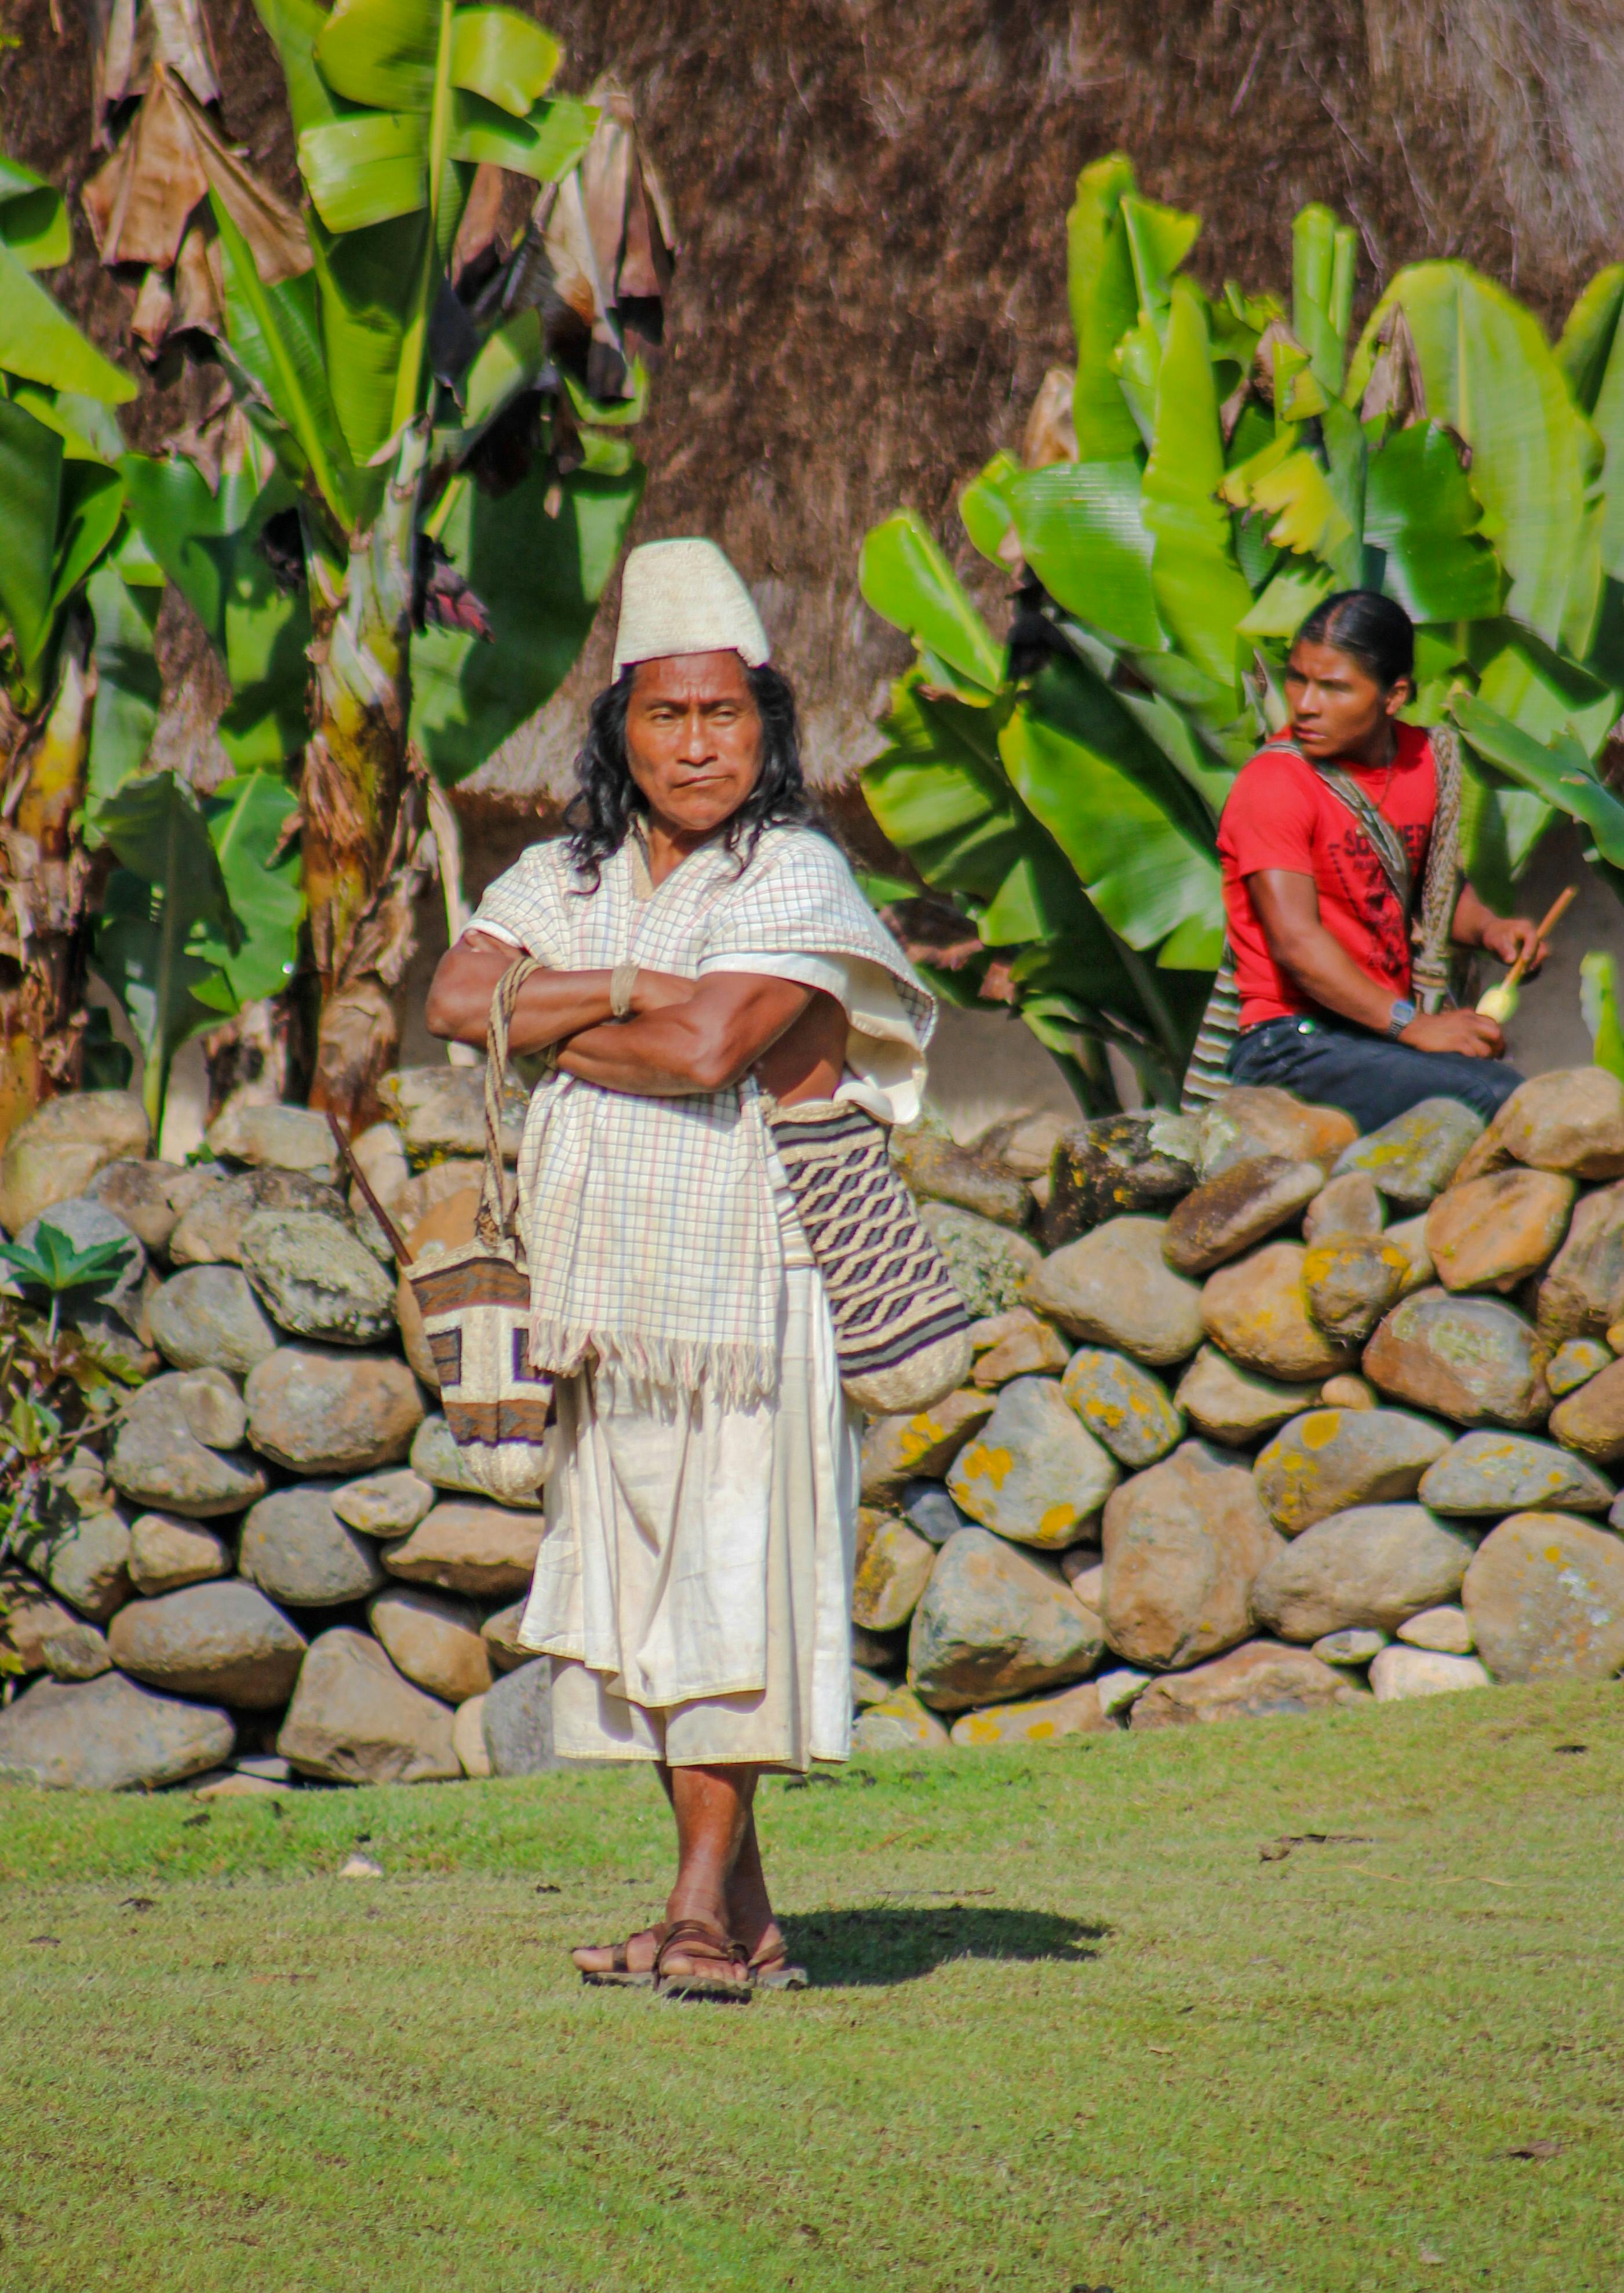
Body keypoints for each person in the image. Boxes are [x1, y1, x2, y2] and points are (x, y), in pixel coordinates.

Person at [425, 537, 931, 2000]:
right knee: (652, 1604)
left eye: (726, 715)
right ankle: (746, 1917)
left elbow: (712, 1049)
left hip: (749, 1299)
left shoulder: (800, 874)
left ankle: (698, 1908)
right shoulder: (562, 868)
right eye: (667, 716)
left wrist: (555, 1017)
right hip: (602, 1306)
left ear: (768, 723)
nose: (698, 745)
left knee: (728, 1591)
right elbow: (459, 994)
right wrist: (637, 991)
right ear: (620, 728)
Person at [1219, 589, 1547, 1134]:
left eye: (1334, 687)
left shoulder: (1425, 760)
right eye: (1298, 678)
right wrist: (1412, 1025)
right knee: (1496, 1097)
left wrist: (1491, 929)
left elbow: (1433, 890)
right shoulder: (1274, 783)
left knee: (1503, 1091)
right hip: (1293, 1046)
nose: (1304, 703)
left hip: (1375, 1039)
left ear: (1393, 696)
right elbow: (1295, 944)